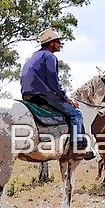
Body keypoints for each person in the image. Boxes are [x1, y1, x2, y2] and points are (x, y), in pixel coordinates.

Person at [21, 27, 93, 155]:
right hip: (42, 94)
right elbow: (53, 82)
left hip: (27, 94)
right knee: (75, 113)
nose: (60, 44)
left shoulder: (33, 56)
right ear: (51, 43)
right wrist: (66, 98)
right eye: (58, 41)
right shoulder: (50, 56)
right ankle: (77, 147)